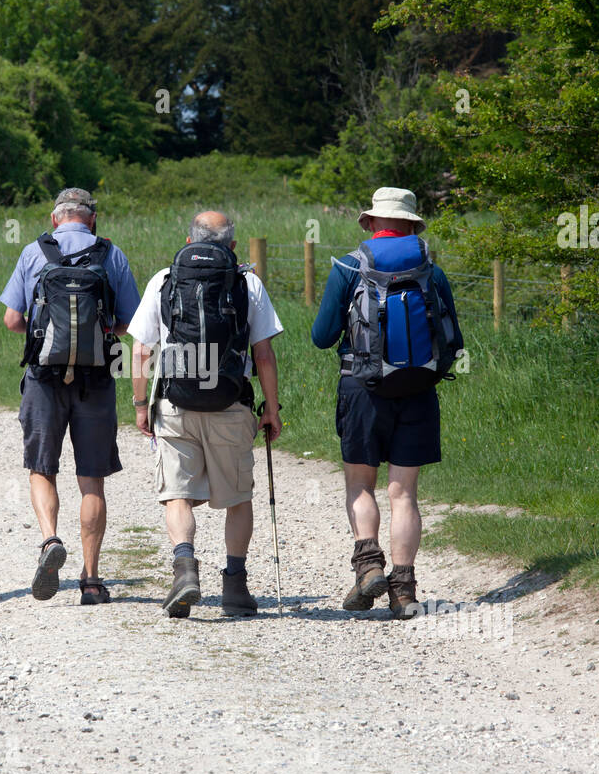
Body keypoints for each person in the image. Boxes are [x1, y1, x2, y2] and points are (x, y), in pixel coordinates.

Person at [310, 187, 463, 618]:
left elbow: (321, 338)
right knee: (404, 494)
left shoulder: (347, 267)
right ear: (413, 226)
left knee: (361, 484)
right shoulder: (432, 271)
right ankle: (404, 590)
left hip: (363, 389)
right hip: (418, 388)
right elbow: (453, 337)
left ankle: (368, 564)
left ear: (372, 222)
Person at [129, 210, 284, 618]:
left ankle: (184, 569)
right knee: (237, 498)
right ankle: (234, 586)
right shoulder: (247, 282)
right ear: (233, 246)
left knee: (177, 494)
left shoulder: (164, 280)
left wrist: (141, 405)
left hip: (176, 405)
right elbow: (263, 354)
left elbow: (142, 350)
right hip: (231, 404)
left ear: (189, 240)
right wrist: (271, 408)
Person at [0, 188, 141, 605]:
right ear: (92, 219)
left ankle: (49, 541)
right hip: (97, 379)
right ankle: (93, 581)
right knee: (91, 480)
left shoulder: (34, 252)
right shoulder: (111, 255)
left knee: (42, 468)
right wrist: (94, 336)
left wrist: (47, 335)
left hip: (44, 378)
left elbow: (11, 320)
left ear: (55, 217)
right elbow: (129, 321)